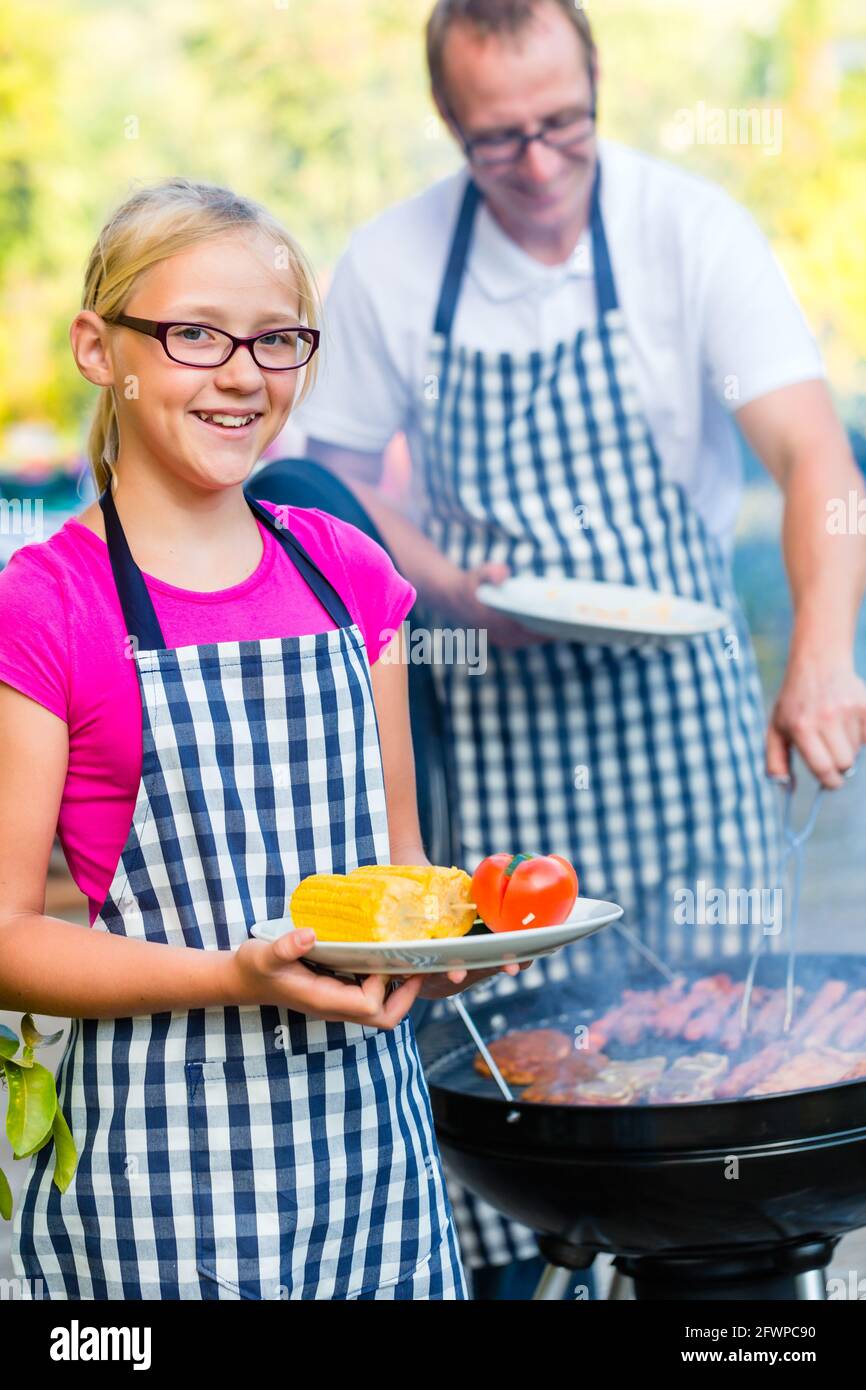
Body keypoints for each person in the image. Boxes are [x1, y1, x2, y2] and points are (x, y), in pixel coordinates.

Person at [291, 0, 866, 1296]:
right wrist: (439, 582)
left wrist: (822, 654)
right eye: (501, 143)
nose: (541, 167)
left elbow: (813, 458)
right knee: (520, 1089)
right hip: (503, 735)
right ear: (452, 127)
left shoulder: (686, 229)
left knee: (727, 1118)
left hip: (686, 732)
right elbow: (325, 486)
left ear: (596, 90)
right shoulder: (393, 263)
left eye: (564, 126)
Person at [0, 175, 522, 1300]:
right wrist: (236, 974)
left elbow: (399, 875)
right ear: (102, 348)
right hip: (158, 1182)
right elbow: (3, 938)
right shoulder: (46, 604)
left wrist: (458, 942)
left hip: (369, 1164)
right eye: (195, 335)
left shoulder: (348, 573)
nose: (243, 375)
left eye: (278, 339)